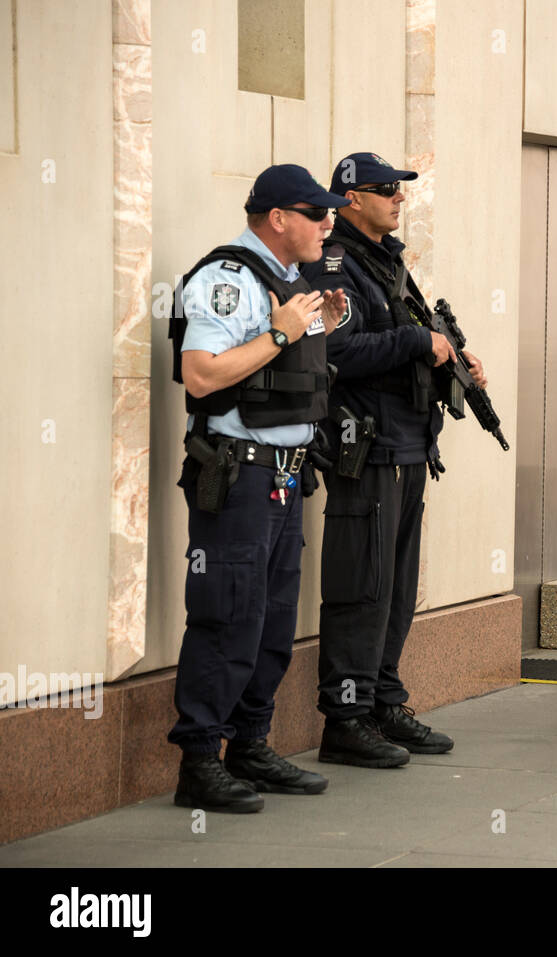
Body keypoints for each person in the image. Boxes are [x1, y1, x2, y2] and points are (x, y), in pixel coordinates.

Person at [168, 164, 350, 812]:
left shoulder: (289, 281)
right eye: (317, 213)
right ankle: (199, 760)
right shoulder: (226, 278)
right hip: (239, 475)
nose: (328, 224)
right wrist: (281, 334)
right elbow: (201, 375)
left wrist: (315, 325)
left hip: (282, 476)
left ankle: (249, 742)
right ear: (279, 218)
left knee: (272, 619)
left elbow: (290, 368)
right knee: (228, 613)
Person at [299, 152, 488, 768]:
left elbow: (412, 330)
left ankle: (382, 702)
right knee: (363, 588)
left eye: (399, 189)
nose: (398, 198)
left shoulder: (386, 259)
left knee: (398, 589)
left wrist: (453, 353)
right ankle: (346, 720)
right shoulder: (335, 263)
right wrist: (417, 342)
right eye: (385, 190)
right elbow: (341, 348)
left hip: (408, 446)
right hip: (369, 450)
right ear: (351, 198)